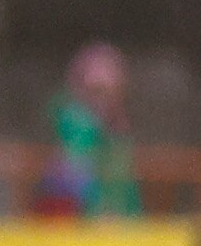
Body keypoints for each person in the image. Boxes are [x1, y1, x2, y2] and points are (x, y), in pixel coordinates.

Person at [36, 42, 142, 217]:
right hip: (78, 209)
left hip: (113, 210)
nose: (103, 100)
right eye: (97, 92)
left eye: (108, 92)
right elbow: (76, 165)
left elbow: (121, 174)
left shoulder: (114, 125)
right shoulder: (73, 118)